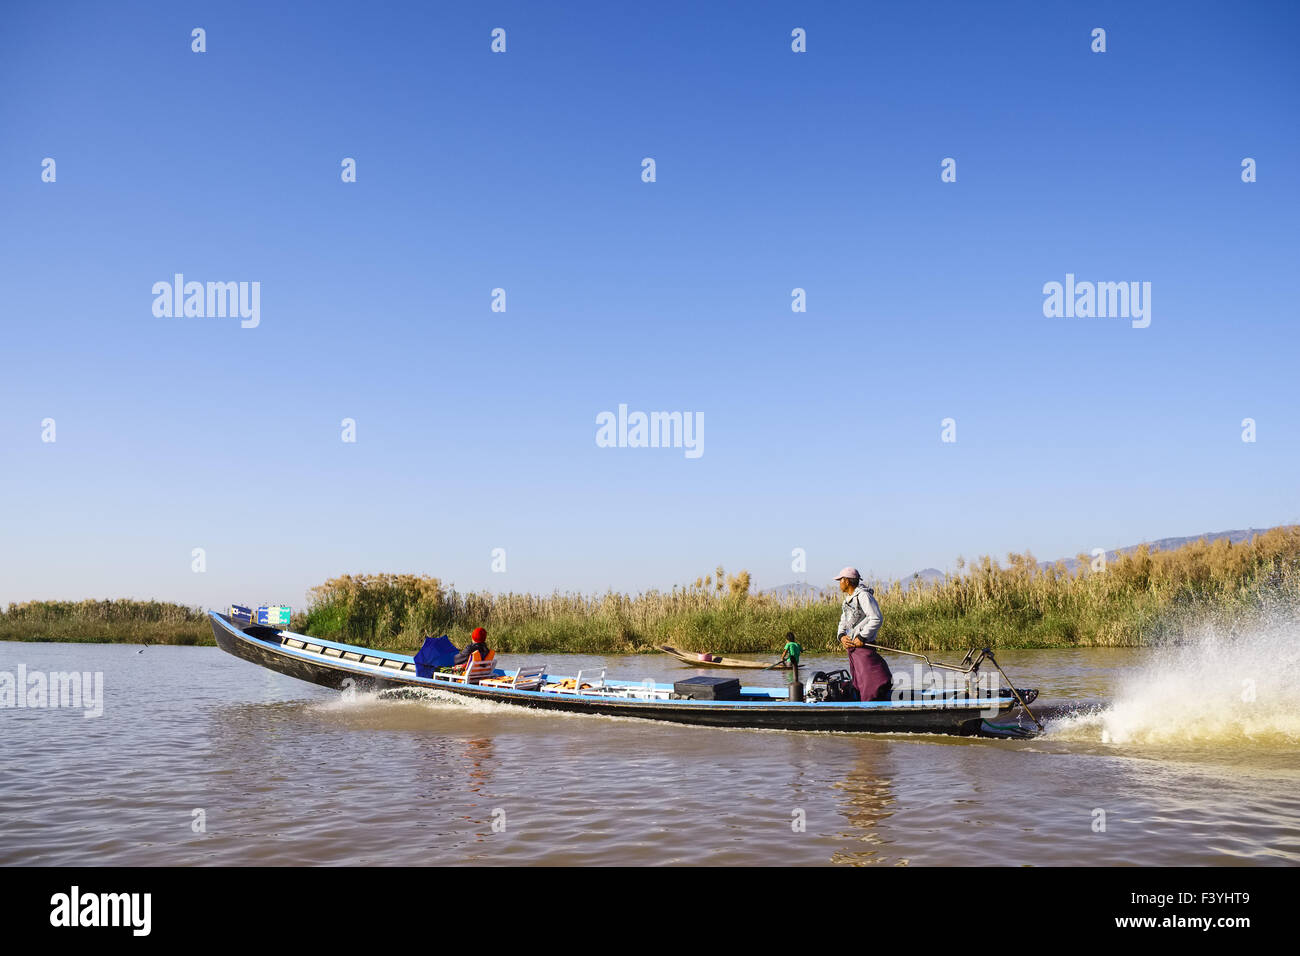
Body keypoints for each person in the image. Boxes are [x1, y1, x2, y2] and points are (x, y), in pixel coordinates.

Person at [834, 567, 892, 702]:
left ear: (847, 581)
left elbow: (876, 618)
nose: (839, 584)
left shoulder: (863, 596)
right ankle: (863, 700)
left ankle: (871, 702)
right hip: (853, 647)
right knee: (860, 679)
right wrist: (841, 636)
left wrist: (862, 636)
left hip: (863, 645)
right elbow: (844, 620)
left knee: (870, 677)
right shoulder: (848, 600)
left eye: (840, 580)